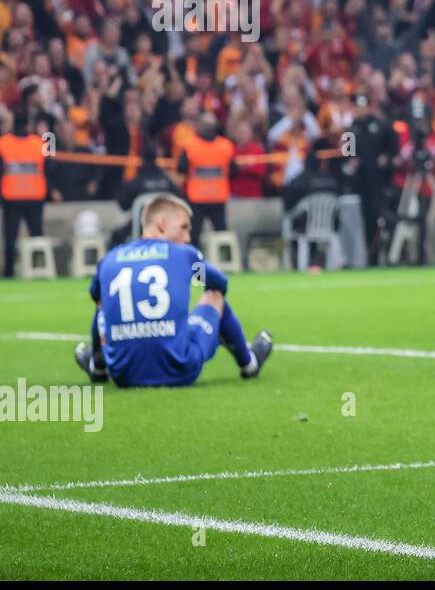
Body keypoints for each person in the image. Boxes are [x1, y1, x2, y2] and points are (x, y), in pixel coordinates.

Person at [74, 193, 273, 387]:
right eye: (184, 228)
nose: (187, 238)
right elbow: (219, 285)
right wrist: (192, 279)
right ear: (161, 224)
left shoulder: (110, 258)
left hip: (122, 374)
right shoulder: (184, 255)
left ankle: (98, 367)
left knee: (101, 305)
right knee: (214, 297)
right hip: (179, 369)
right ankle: (249, 363)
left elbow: (97, 300)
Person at [0, 114, 48, 278]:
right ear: (29, 125)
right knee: (37, 236)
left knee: (10, 239)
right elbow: (53, 156)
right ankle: (39, 269)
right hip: (34, 197)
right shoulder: (39, 142)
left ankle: (9, 273)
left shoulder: (3, 143)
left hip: (11, 197)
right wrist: (46, 134)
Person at [177, 113, 235, 235]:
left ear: (199, 126)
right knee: (221, 233)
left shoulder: (190, 145)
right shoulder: (226, 145)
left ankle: (192, 254)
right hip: (218, 196)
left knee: (194, 234)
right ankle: (223, 255)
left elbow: (181, 168)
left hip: (197, 197)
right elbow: (234, 170)